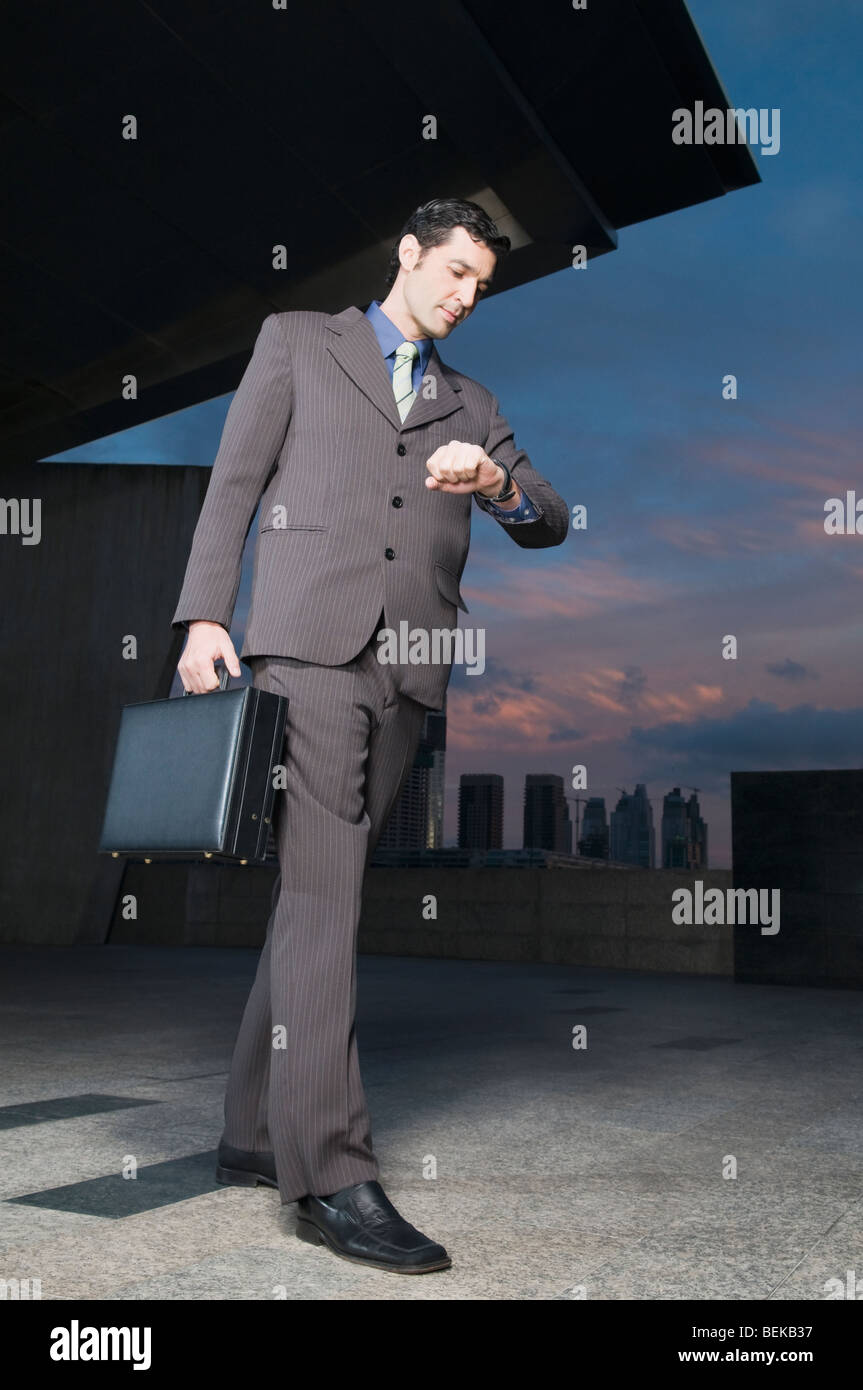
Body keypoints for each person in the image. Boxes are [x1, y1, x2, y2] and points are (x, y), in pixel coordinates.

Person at [172, 197, 569, 1274]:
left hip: (412, 672)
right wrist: (205, 615)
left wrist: (493, 483)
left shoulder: (468, 400)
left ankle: (253, 1132)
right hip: (306, 652)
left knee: (317, 891)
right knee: (322, 897)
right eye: (451, 273)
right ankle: (332, 1171)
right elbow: (236, 482)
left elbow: (549, 515)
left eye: (478, 286)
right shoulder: (300, 342)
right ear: (407, 254)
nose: (461, 296)